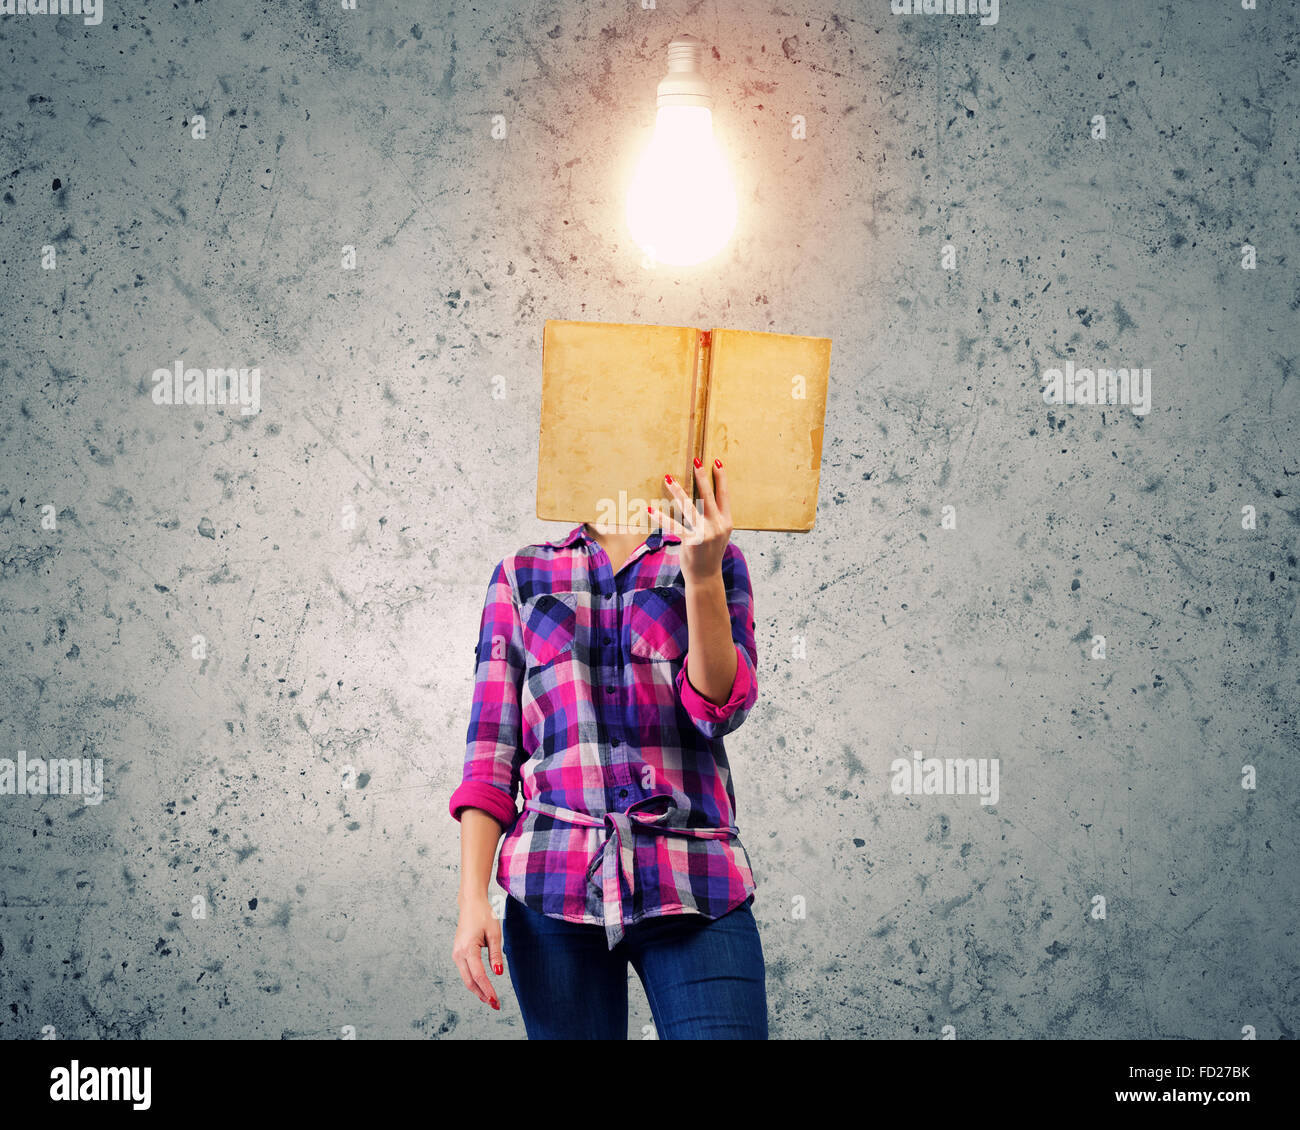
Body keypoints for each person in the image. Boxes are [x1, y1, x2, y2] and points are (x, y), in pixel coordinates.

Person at [449, 457, 768, 1039]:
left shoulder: (715, 558)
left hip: (693, 878)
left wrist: (700, 575)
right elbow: (490, 754)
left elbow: (720, 709)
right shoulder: (522, 575)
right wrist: (473, 899)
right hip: (552, 883)